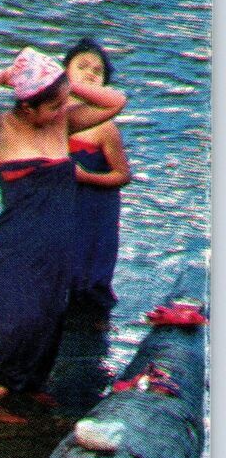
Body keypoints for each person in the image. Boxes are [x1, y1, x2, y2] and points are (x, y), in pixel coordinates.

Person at [0, 46, 125, 413]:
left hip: (58, 248)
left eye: (62, 103)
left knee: (48, 328)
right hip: (17, 248)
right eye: (51, 106)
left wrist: (64, 82)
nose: (59, 112)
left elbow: (115, 101)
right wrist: (12, 73)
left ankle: (31, 390)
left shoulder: (60, 122)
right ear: (26, 106)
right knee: (13, 330)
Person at [63, 38, 130, 319]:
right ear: (65, 72)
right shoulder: (49, 117)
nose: (90, 73)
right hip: (61, 206)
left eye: (97, 71)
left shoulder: (104, 127)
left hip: (93, 208)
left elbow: (123, 175)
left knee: (89, 273)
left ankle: (95, 322)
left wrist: (85, 176)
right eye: (82, 66)